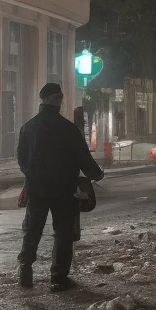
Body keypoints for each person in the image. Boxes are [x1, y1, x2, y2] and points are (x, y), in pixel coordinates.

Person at [17, 83, 104, 292]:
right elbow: (82, 156)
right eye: (59, 97)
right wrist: (96, 174)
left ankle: (24, 271)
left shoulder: (28, 127)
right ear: (54, 99)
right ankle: (58, 278)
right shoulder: (67, 128)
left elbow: (21, 159)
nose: (60, 100)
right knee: (63, 232)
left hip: (37, 188)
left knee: (32, 229)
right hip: (64, 189)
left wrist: (32, 176)